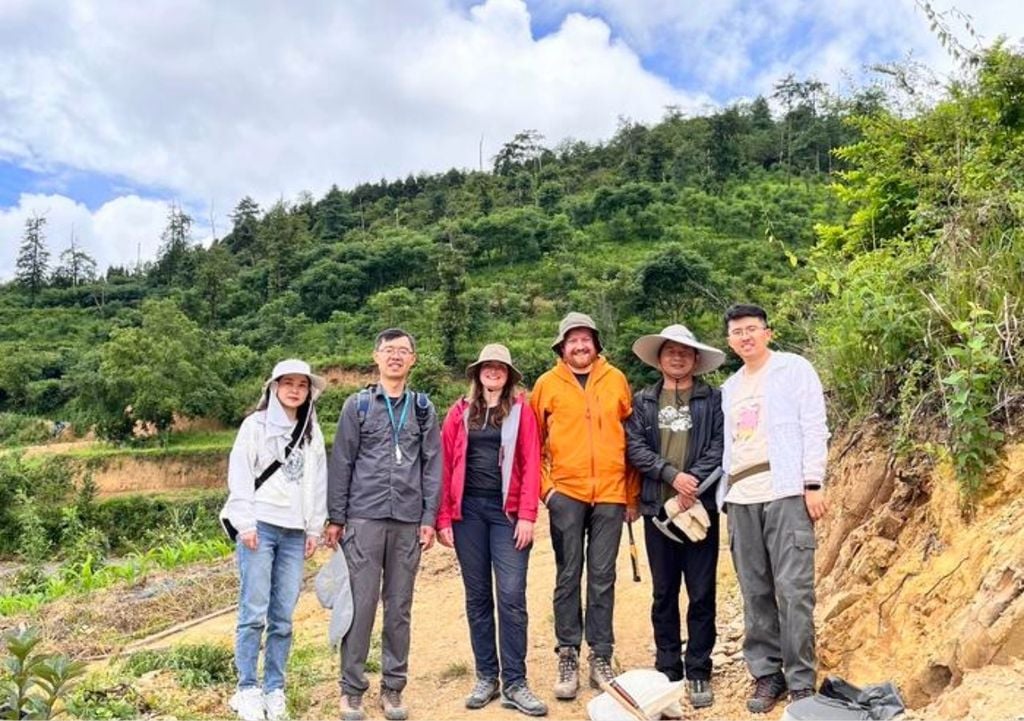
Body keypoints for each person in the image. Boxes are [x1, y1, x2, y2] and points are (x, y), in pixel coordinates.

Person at [325, 328, 442, 721]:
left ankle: (393, 688)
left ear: (413, 359)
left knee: (399, 608)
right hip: (364, 518)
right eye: (388, 350)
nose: (395, 356)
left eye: (403, 351)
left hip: (408, 520)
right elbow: (341, 462)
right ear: (375, 357)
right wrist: (336, 518)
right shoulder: (356, 406)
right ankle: (351, 690)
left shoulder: (424, 408)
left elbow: (432, 467)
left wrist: (429, 518)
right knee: (360, 606)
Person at [718, 304, 829, 713]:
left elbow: (814, 425)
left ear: (768, 332)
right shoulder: (729, 387)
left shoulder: (794, 369)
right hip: (741, 496)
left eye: (751, 329)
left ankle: (801, 681)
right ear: (729, 342)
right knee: (755, 591)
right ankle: (767, 675)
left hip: (786, 492)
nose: (745, 337)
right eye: (737, 332)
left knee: (794, 589)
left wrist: (813, 482)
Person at [529, 311, 639, 700]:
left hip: (610, 492)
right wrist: (548, 491)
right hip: (567, 493)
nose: (580, 346)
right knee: (567, 574)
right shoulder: (545, 385)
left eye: (586, 339)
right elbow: (533, 444)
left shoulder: (617, 380)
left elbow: (632, 440)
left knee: (603, 576)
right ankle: (568, 653)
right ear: (562, 346)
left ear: (596, 344)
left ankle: (602, 655)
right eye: (572, 340)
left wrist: (631, 492)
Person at [437, 343, 548, 717]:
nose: (494, 372)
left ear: (509, 374)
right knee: (478, 596)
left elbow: (532, 462)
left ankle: (515, 681)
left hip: (508, 513)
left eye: (501, 367)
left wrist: (529, 515)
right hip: (467, 512)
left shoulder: (521, 411)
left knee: (512, 595)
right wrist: (443, 517)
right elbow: (443, 461)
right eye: (488, 366)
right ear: (478, 373)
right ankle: (487, 675)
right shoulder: (459, 412)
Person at [625, 325, 725, 709]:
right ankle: (668, 666)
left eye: (685, 351)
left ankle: (699, 668)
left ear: (696, 359)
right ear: (660, 358)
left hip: (701, 511)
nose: (678, 357)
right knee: (663, 592)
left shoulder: (712, 400)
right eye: (670, 351)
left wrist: (694, 483)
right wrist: (672, 476)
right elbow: (635, 447)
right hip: (658, 511)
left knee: (701, 592)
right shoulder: (645, 401)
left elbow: (720, 444)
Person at [223, 359, 328, 721]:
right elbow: (239, 473)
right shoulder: (255, 426)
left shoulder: (311, 430)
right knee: (253, 611)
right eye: (288, 383)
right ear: (274, 387)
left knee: (282, 615)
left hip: (295, 532)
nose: (295, 390)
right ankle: (247, 688)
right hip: (261, 526)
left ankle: (275, 688)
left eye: (302, 384)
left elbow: (318, 479)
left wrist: (314, 527)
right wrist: (245, 523)